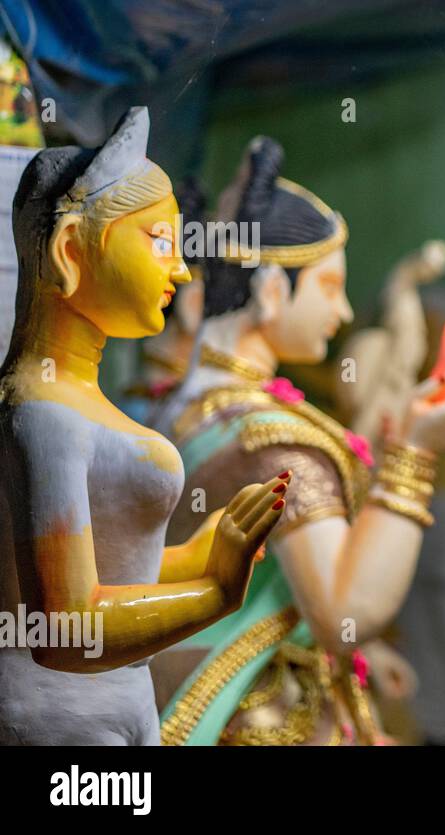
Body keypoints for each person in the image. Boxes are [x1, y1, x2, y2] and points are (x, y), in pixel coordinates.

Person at [152, 136, 445, 745]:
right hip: (263, 711)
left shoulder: (199, 408)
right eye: (329, 287)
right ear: (269, 293)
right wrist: (414, 454)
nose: (340, 312)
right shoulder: (271, 439)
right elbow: (343, 610)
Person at [0, 108, 284, 745]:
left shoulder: (70, 402)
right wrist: (213, 592)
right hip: (59, 724)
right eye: (160, 241)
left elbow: (112, 574)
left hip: (114, 710)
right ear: (72, 251)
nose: (182, 270)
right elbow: (63, 629)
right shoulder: (42, 415)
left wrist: (199, 554)